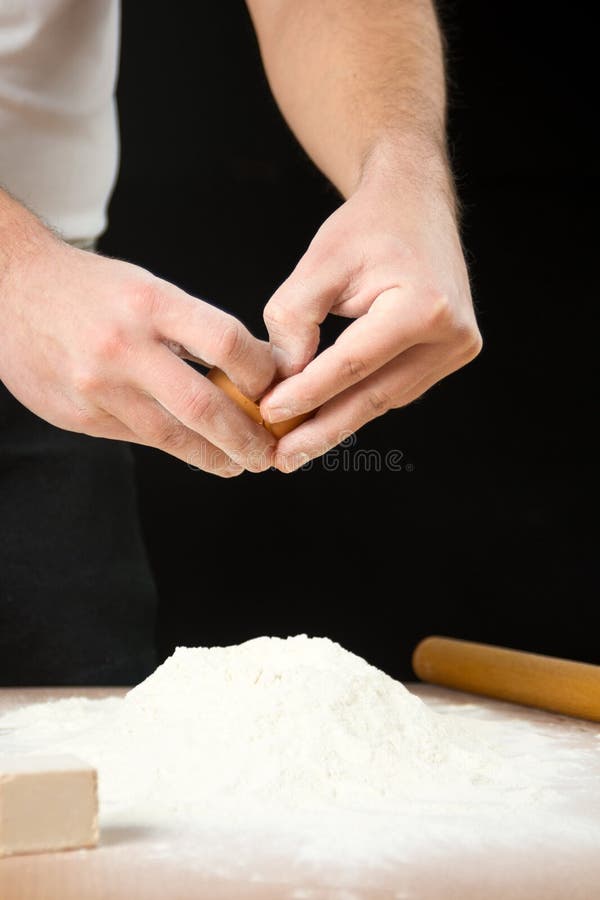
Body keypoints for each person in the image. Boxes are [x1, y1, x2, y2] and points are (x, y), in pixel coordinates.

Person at [0, 1, 482, 686]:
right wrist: (13, 268)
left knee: (78, 751)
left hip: (70, 353)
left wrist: (404, 171)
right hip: (35, 294)